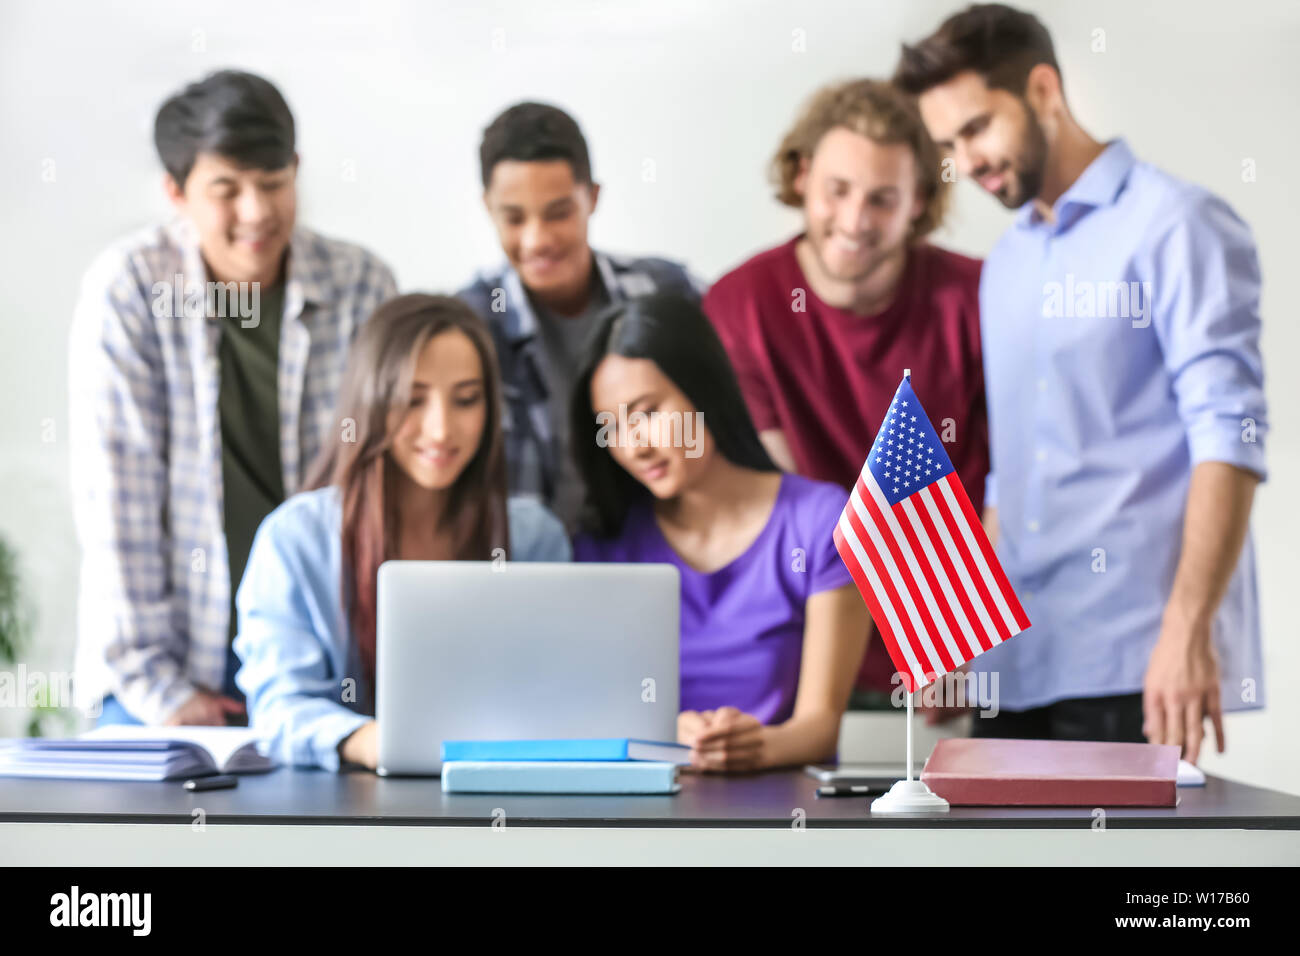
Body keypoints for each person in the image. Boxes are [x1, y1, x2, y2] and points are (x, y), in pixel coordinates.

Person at [896, 3, 1267, 760]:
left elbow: (1228, 432)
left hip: (1133, 661)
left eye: (976, 129)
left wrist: (1187, 634)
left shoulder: (1175, 224)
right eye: (947, 145)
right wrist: (962, 635)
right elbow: (1011, 476)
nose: (965, 161)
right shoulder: (1006, 264)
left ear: (1042, 90)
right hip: (1018, 661)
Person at [70, 70, 397, 727]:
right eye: (227, 190)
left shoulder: (362, 284)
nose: (257, 212)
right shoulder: (131, 288)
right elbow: (118, 502)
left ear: (297, 170)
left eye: (274, 184)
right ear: (176, 192)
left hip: (316, 660)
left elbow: (383, 480)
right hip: (167, 662)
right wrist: (164, 692)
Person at [702, 78, 987, 701]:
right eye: (838, 191)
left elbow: (1009, 484)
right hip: (807, 651)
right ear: (802, 177)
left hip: (963, 648)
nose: (856, 221)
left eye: (883, 199)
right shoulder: (738, 307)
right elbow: (780, 503)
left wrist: (958, 641)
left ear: (919, 201)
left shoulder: (977, 299)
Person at [234, 295, 569, 771]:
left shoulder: (534, 537)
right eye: (412, 400)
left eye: (467, 399)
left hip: (499, 798)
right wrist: (376, 742)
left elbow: (559, 695)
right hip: (345, 810)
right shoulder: (295, 540)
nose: (440, 429)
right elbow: (279, 707)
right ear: (371, 401)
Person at [570, 293, 871, 772]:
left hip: (788, 816)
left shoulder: (820, 522)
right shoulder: (604, 543)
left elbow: (819, 727)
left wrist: (750, 747)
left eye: (647, 413)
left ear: (703, 390)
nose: (635, 446)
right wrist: (667, 738)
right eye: (612, 427)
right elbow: (589, 718)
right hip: (644, 817)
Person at [458, 102, 703, 533]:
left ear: (592, 197)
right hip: (521, 573)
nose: (537, 240)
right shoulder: (466, 326)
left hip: (656, 556)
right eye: (513, 218)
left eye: (558, 213)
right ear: (487, 207)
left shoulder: (669, 292)